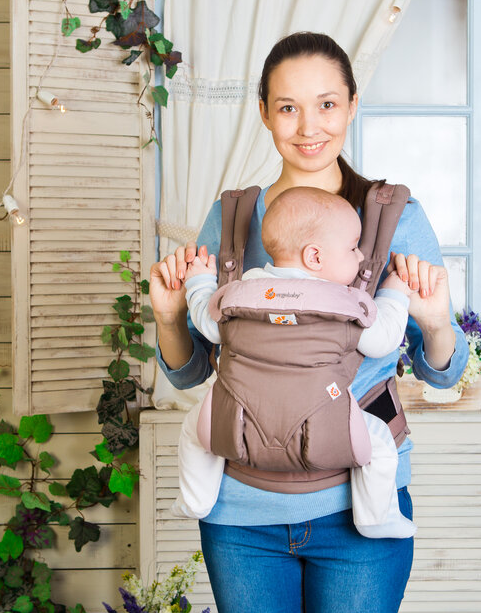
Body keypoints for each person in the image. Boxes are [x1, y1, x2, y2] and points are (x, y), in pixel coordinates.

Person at [149, 31, 469, 613]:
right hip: (241, 515)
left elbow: (444, 371)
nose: (308, 127)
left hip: (359, 512)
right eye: (288, 107)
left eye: (326, 104)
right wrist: (168, 317)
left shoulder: (394, 218)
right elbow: (194, 370)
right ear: (264, 112)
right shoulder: (233, 218)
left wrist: (433, 323)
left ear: (351, 105)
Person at [172, 186, 418, 540]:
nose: (360, 257)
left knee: (193, 430)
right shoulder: (343, 303)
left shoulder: (239, 294)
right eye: (352, 248)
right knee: (379, 443)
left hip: (236, 418)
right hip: (324, 420)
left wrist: (198, 280)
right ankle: (376, 518)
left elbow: (208, 325)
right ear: (315, 256)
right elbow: (383, 340)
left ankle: (195, 500)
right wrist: (394, 292)